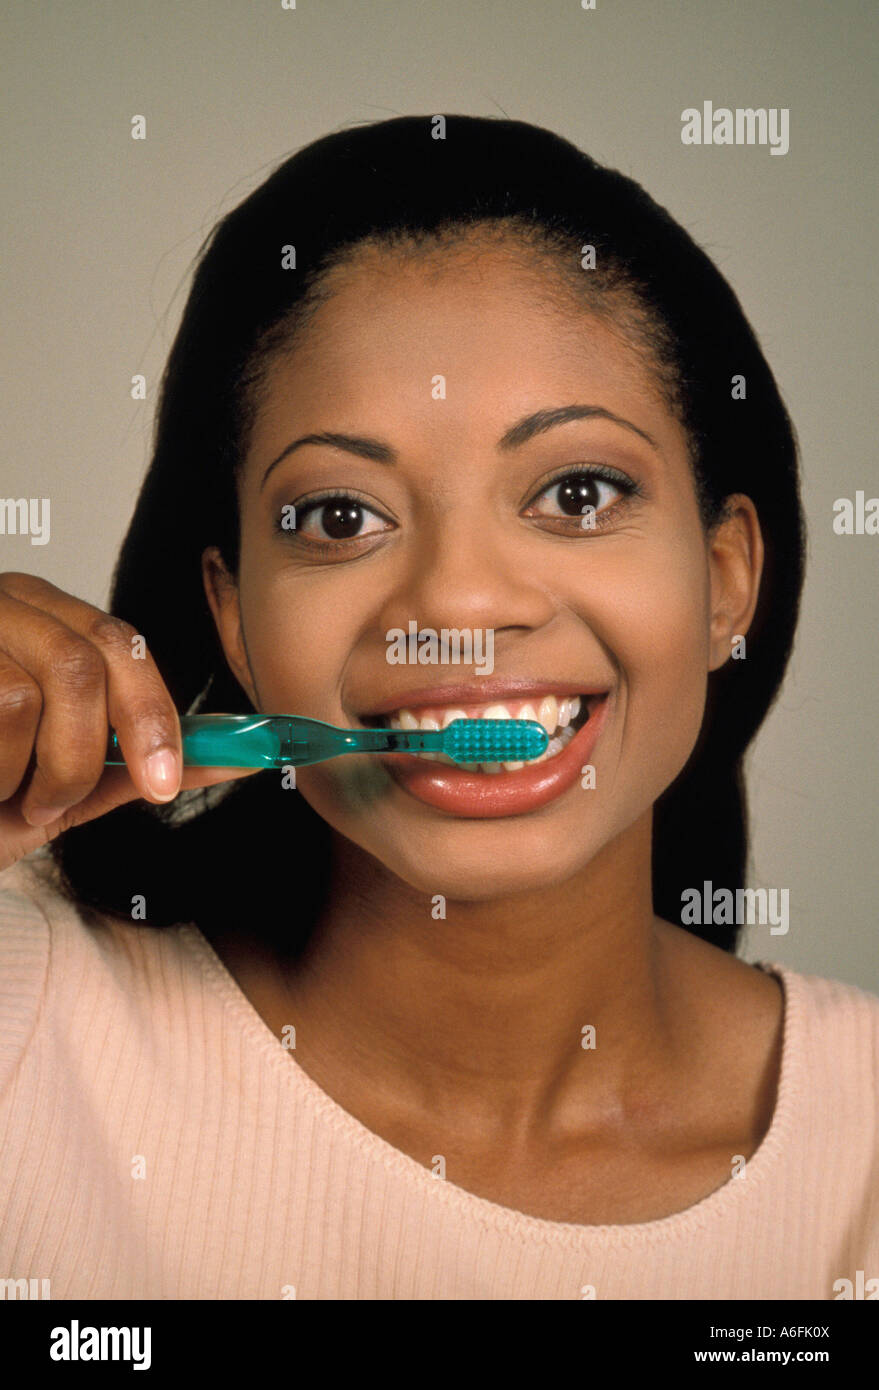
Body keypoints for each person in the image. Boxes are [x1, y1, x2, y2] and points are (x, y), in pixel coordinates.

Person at [1, 114, 876, 1300]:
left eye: (577, 491)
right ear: (235, 623)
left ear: (728, 579)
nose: (458, 600)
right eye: (341, 517)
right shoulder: (29, 1019)